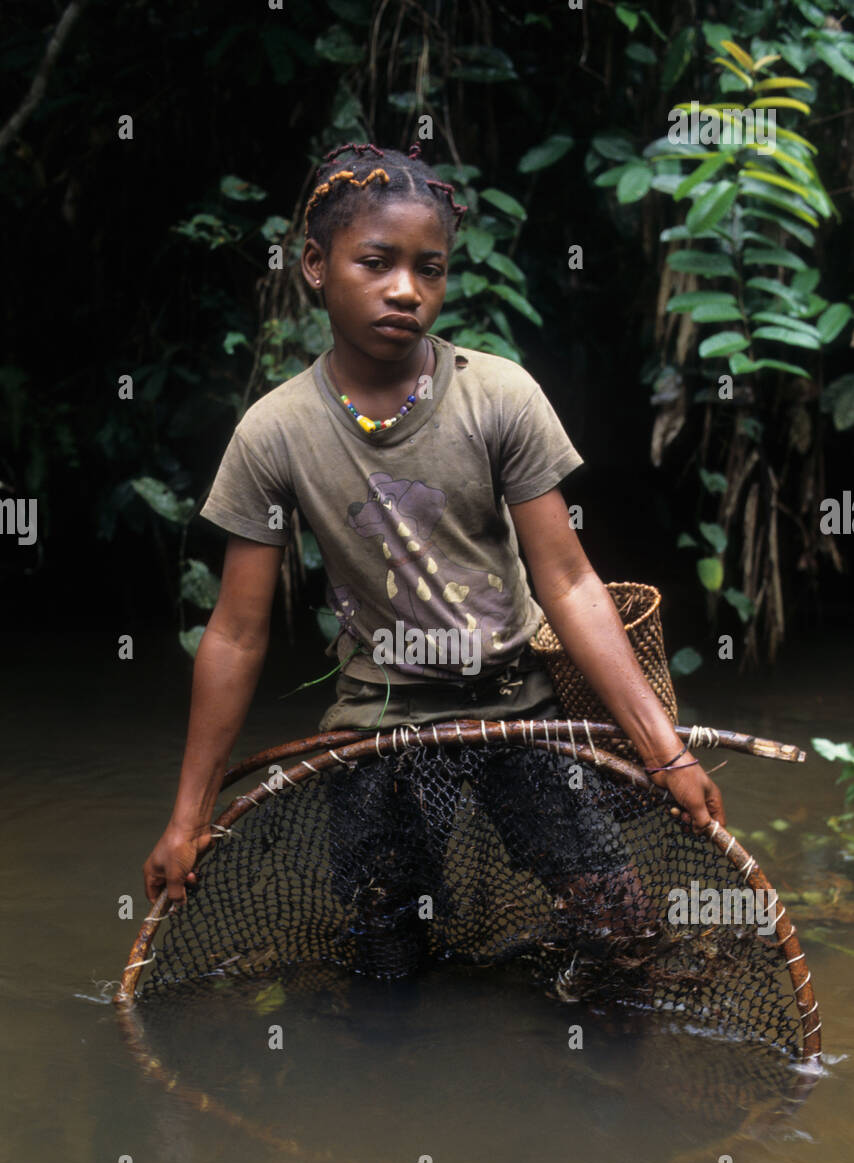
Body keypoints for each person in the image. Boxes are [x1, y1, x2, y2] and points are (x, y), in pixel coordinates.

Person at [143, 141, 725, 933]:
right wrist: (187, 817)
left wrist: (666, 752)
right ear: (315, 265)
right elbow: (238, 634)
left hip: (519, 707)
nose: (406, 291)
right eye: (376, 263)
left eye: (430, 268)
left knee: (621, 928)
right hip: (378, 725)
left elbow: (570, 583)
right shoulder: (274, 433)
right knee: (387, 957)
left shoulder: (498, 396)